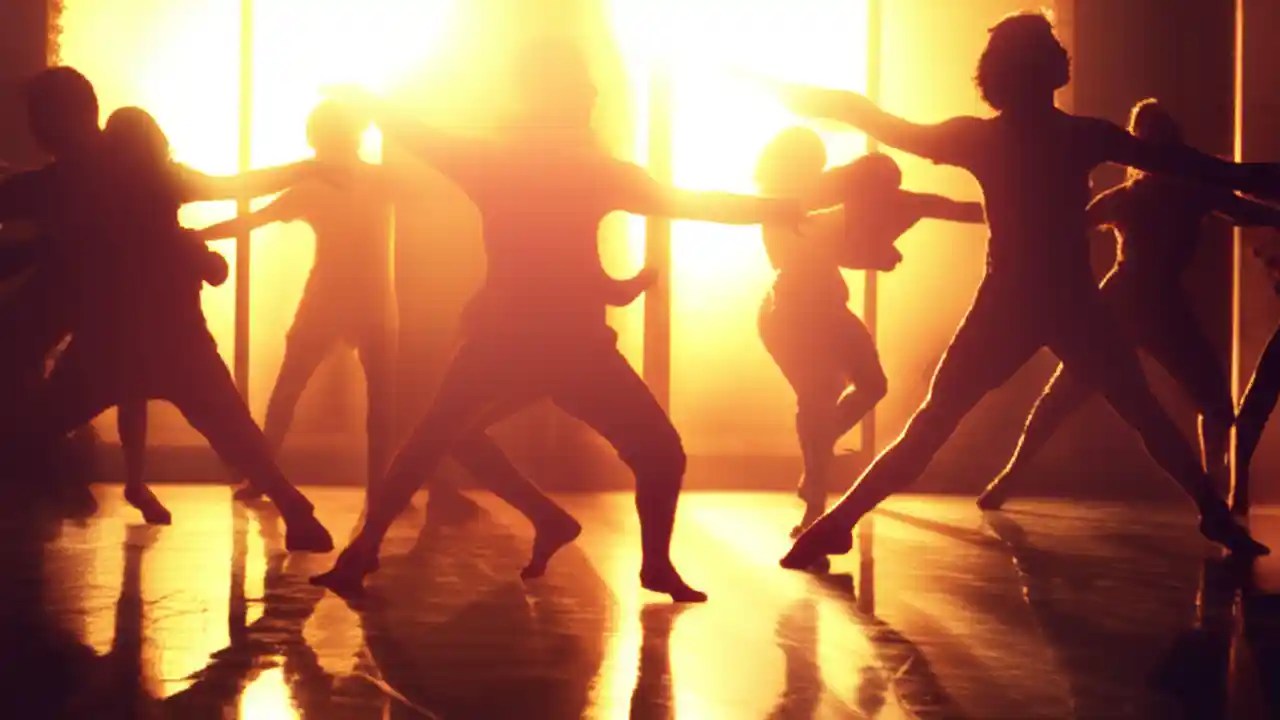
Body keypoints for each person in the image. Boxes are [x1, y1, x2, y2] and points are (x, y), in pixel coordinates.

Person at [767, 12, 1278, 569]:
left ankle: (836, 525)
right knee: (1139, 412)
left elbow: (886, 124)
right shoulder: (1081, 136)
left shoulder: (993, 136)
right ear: (1048, 68)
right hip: (1060, 303)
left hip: (1024, 302)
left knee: (939, 422)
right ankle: (1212, 512)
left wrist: (828, 101)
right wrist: (1253, 176)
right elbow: (1195, 166)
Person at [311, 39, 800, 602]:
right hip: (559, 343)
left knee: (439, 438)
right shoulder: (584, 170)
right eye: (581, 85)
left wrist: (368, 100)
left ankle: (377, 548)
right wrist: (777, 209)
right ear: (554, 97)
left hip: (523, 339)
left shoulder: (504, 162)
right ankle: (641, 559)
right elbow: (689, 203)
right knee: (652, 452)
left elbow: (428, 142)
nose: (594, 94)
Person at [0, 88, 333, 550]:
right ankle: (294, 508)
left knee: (34, 430)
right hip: (176, 340)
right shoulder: (161, 180)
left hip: (107, 343)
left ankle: (58, 487)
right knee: (232, 428)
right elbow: (235, 186)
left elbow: (15, 198)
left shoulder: (65, 183)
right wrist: (306, 168)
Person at [979, 99, 1280, 510]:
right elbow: (1066, 226)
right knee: (1063, 396)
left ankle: (1220, 488)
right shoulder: (1133, 196)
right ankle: (1010, 476)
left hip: (1159, 306)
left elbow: (1244, 211)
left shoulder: (1189, 192)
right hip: (1123, 302)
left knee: (1212, 400)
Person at [754, 128, 983, 534]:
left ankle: (818, 456)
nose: (817, 169)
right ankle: (815, 501)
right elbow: (809, 250)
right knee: (817, 397)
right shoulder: (785, 203)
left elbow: (950, 208)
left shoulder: (828, 196)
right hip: (790, 313)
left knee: (871, 385)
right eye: (810, 161)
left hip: (826, 307)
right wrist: (872, 249)